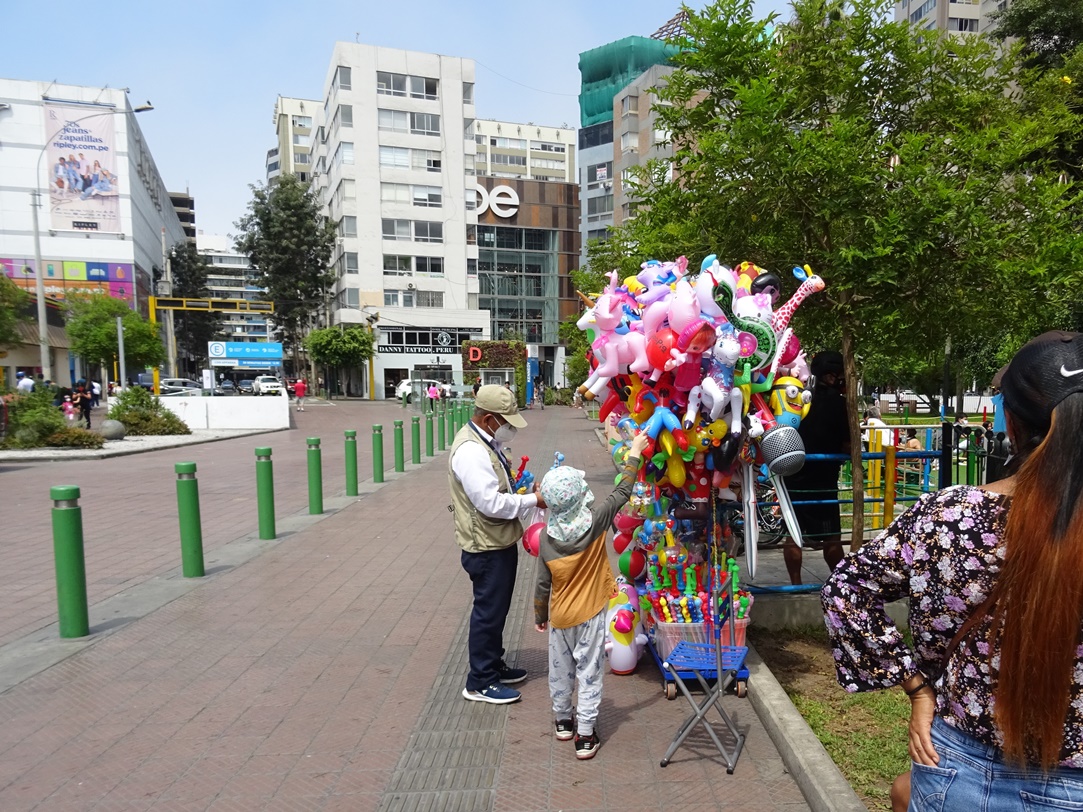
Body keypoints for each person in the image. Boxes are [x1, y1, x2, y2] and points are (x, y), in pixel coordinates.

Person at [822, 332, 1083, 810]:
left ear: (1012, 424)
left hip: (957, 766)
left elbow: (845, 590)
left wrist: (918, 689)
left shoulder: (949, 516)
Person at [535, 432, 650, 759]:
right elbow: (623, 491)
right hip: (589, 617)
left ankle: (562, 721)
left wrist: (539, 616)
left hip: (559, 617)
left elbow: (543, 583)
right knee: (589, 674)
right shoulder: (596, 522)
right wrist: (635, 452)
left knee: (560, 670)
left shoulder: (546, 537)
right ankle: (585, 736)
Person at [449, 385, 544, 705]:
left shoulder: (486, 442)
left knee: (497, 609)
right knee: (488, 612)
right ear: (489, 419)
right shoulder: (471, 451)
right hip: (485, 547)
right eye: (507, 422)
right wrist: (534, 499)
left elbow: (499, 488)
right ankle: (480, 680)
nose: (510, 429)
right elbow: (489, 503)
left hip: (497, 541)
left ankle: (492, 663)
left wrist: (522, 488)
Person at [782, 350, 850, 584]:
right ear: (831, 376)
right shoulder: (841, 405)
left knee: (793, 533)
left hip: (794, 473)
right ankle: (841, 584)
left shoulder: (799, 397)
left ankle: (795, 584)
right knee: (832, 536)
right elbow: (849, 444)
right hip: (825, 478)